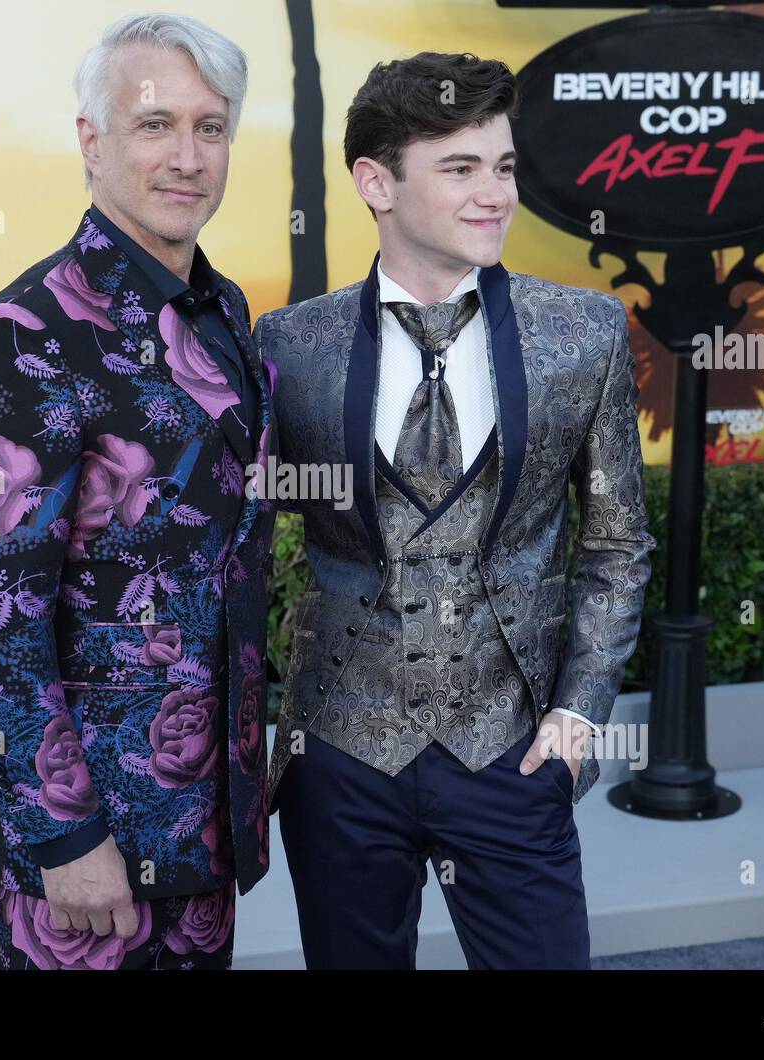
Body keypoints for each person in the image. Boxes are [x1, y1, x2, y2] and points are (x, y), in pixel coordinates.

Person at [255, 51, 657, 969]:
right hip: (342, 756)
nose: (496, 194)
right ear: (376, 183)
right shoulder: (290, 344)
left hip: (512, 752)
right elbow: (229, 548)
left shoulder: (582, 333)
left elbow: (617, 542)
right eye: (461, 168)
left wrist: (579, 717)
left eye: (505, 167)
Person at [0, 12, 275, 971]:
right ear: (91, 142)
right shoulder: (24, 332)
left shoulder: (220, 309)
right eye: (153, 124)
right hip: (87, 838)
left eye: (210, 128)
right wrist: (64, 836)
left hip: (204, 815)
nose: (188, 156)